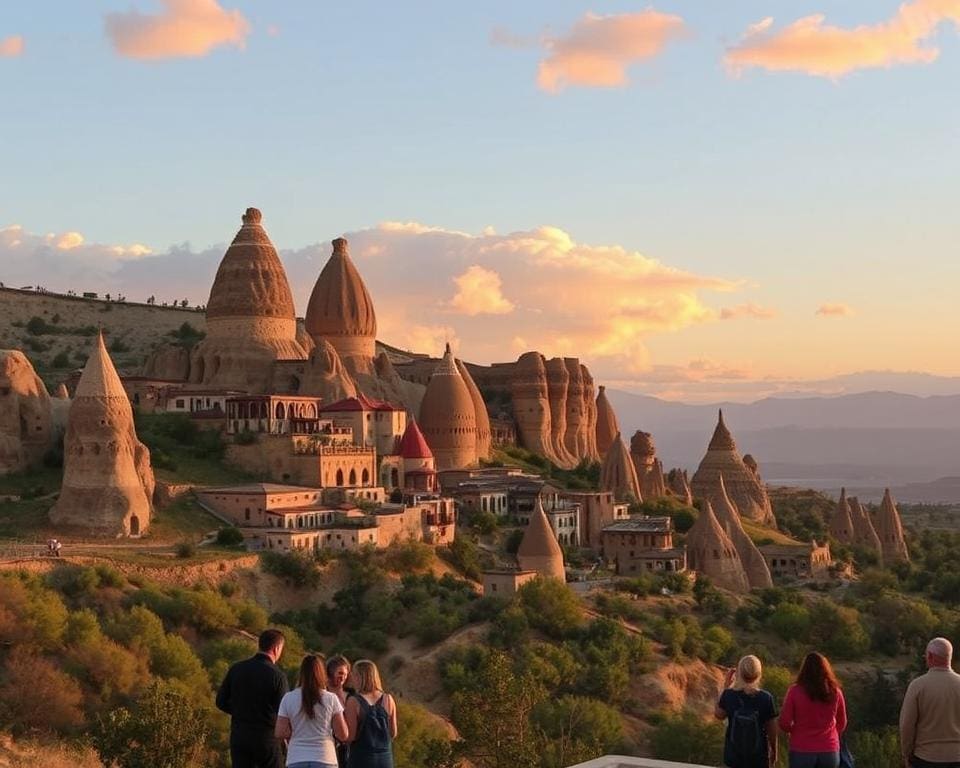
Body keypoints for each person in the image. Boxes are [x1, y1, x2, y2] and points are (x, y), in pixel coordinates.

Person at [216, 628, 289, 768]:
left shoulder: (236, 669)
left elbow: (220, 701)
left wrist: (239, 710)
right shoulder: (278, 676)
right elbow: (283, 711)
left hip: (239, 736)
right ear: (277, 648)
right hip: (267, 739)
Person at [276, 655, 349, 768]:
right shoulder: (331, 698)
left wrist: (296, 732)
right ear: (322, 674)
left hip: (296, 757)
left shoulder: (288, 698)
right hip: (325, 757)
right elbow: (343, 734)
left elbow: (280, 732)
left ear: (301, 673)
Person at [779, 652, 847, 768]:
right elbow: (842, 722)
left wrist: (795, 731)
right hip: (829, 751)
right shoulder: (835, 692)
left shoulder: (795, 691)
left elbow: (784, 723)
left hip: (802, 750)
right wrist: (831, 734)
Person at [900, 637, 960, 768]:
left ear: (930, 656)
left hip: (926, 757)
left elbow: (906, 725)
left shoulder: (917, 686)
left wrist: (906, 753)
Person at [715, 654, 779, 768]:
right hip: (758, 757)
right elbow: (772, 731)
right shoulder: (766, 698)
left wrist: (726, 686)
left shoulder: (729, 695)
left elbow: (719, 715)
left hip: (734, 756)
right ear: (758, 674)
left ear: (739, 672)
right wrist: (774, 751)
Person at [345, 660, 398, 768]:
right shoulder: (388, 699)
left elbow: (351, 736)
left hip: (361, 758)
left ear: (360, 677)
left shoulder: (353, 701)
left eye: (354, 674)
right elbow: (393, 733)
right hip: (385, 759)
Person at [326, 656, 353, 767]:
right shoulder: (323, 694)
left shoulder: (351, 695)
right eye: (340, 673)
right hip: (328, 744)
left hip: (348, 747)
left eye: (345, 674)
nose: (343, 677)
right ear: (330, 672)